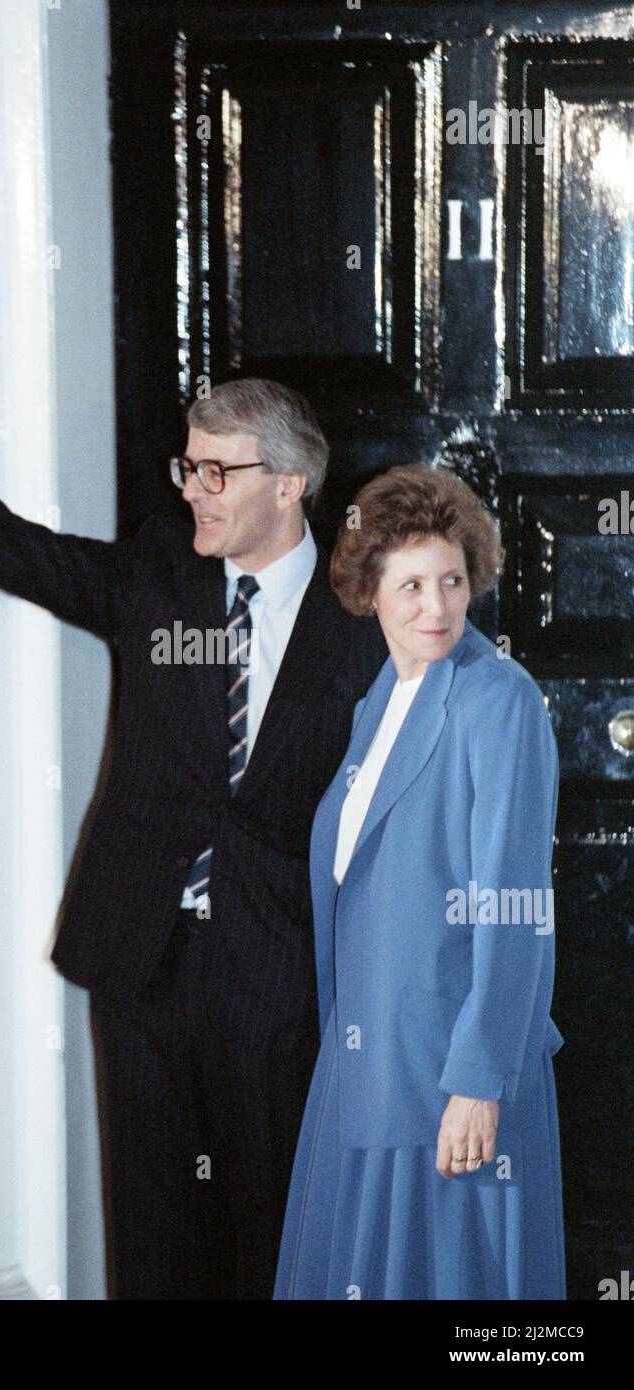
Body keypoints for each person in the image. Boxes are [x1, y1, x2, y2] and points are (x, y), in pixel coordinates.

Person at [0, 306, 388, 1300]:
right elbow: (13, 550)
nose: (194, 489)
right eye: (187, 467)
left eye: (220, 472)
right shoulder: (157, 575)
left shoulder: (361, 620)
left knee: (276, 1231)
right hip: (140, 956)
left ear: (288, 485)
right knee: (153, 1234)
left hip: (278, 969)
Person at [274, 463, 566, 1301]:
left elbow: (514, 907)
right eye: (410, 585)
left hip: (447, 1075)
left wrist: (478, 1082)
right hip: (368, 1060)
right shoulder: (383, 696)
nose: (435, 608)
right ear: (368, 589)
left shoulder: (497, 699)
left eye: (450, 580)